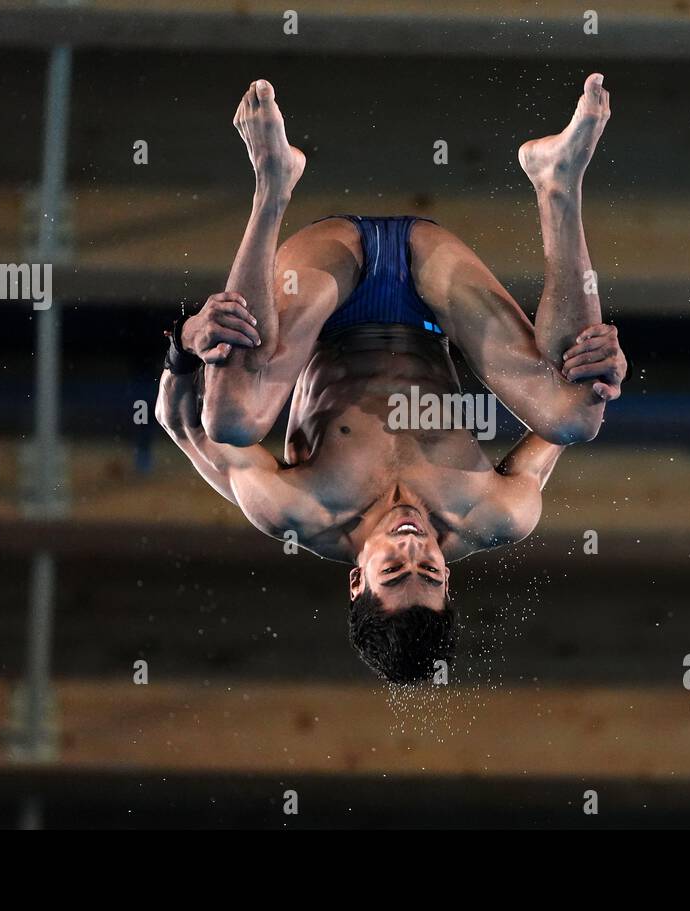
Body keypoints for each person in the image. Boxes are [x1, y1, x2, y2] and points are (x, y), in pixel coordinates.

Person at [156, 74, 627, 682]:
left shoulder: (297, 511)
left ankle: (271, 187)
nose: (413, 548)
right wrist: (603, 378)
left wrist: (189, 341)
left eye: (395, 571)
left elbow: (181, 421)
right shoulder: (492, 515)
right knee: (575, 419)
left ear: (357, 581)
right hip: (431, 286)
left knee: (233, 417)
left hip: (327, 290)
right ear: (447, 574)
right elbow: (566, 418)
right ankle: (558, 182)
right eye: (428, 571)